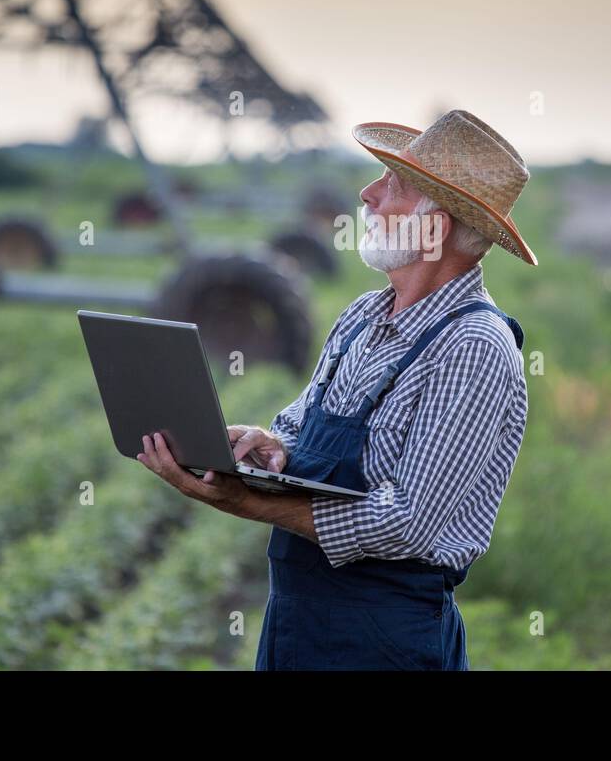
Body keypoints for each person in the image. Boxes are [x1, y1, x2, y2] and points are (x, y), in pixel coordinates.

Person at [136, 108, 537, 670]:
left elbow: (409, 524)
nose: (368, 195)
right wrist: (270, 446)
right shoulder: (363, 316)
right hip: (297, 628)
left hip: (385, 642)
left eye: (392, 184)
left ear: (434, 227)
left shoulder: (474, 346)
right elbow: (301, 428)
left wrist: (247, 501)